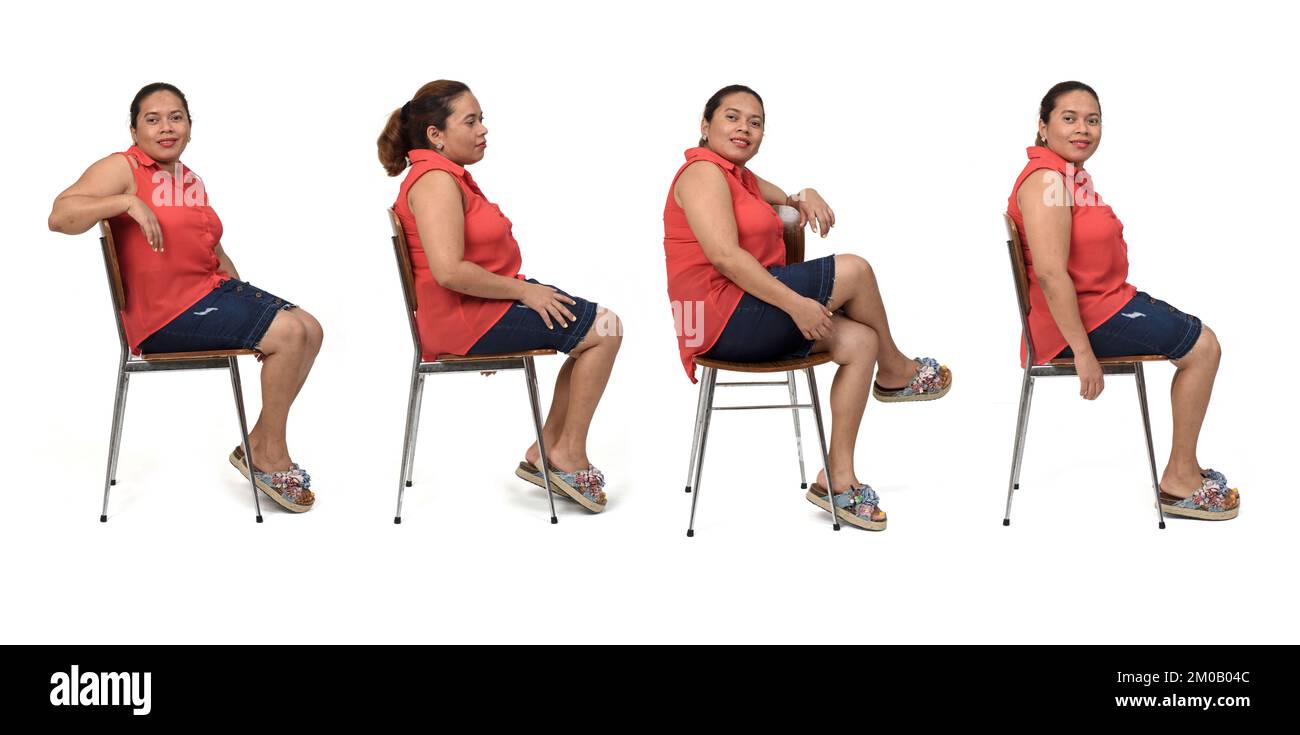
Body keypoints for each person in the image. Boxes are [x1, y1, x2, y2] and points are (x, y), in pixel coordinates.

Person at [663, 84, 951, 531]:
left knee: (861, 341)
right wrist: (798, 305)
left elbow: (787, 198)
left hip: (744, 312)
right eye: (732, 117)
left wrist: (806, 193)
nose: (744, 128)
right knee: (855, 270)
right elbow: (725, 257)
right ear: (705, 124)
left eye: (755, 122)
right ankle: (896, 370)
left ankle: (837, 478)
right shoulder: (702, 173)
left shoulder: (739, 177)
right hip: (720, 318)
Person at [48, 82, 323, 513]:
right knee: (289, 334)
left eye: (176, 117)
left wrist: (250, 307)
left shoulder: (189, 179)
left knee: (310, 328)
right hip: (165, 316)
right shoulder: (123, 167)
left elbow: (214, 252)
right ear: (134, 129)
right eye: (152, 119)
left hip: (207, 296)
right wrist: (126, 202)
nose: (166, 127)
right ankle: (269, 453)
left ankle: (258, 441)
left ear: (190, 127)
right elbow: (60, 216)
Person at [379, 80, 621, 513]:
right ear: (436, 134)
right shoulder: (434, 182)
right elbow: (449, 271)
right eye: (470, 121)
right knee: (605, 330)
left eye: (481, 119)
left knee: (594, 331)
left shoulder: (447, 176)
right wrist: (525, 292)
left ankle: (547, 449)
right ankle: (566, 454)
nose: (483, 129)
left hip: (480, 309)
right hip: (467, 318)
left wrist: (520, 296)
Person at [1007, 80, 1237, 520]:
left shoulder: (1065, 174)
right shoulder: (1046, 181)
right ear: (1043, 126)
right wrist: (1083, 353)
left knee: (1199, 339)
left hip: (1103, 303)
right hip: (1080, 322)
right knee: (1203, 348)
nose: (1083, 129)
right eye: (1069, 118)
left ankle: (1184, 468)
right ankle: (1179, 480)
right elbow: (1052, 275)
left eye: (1092, 120)